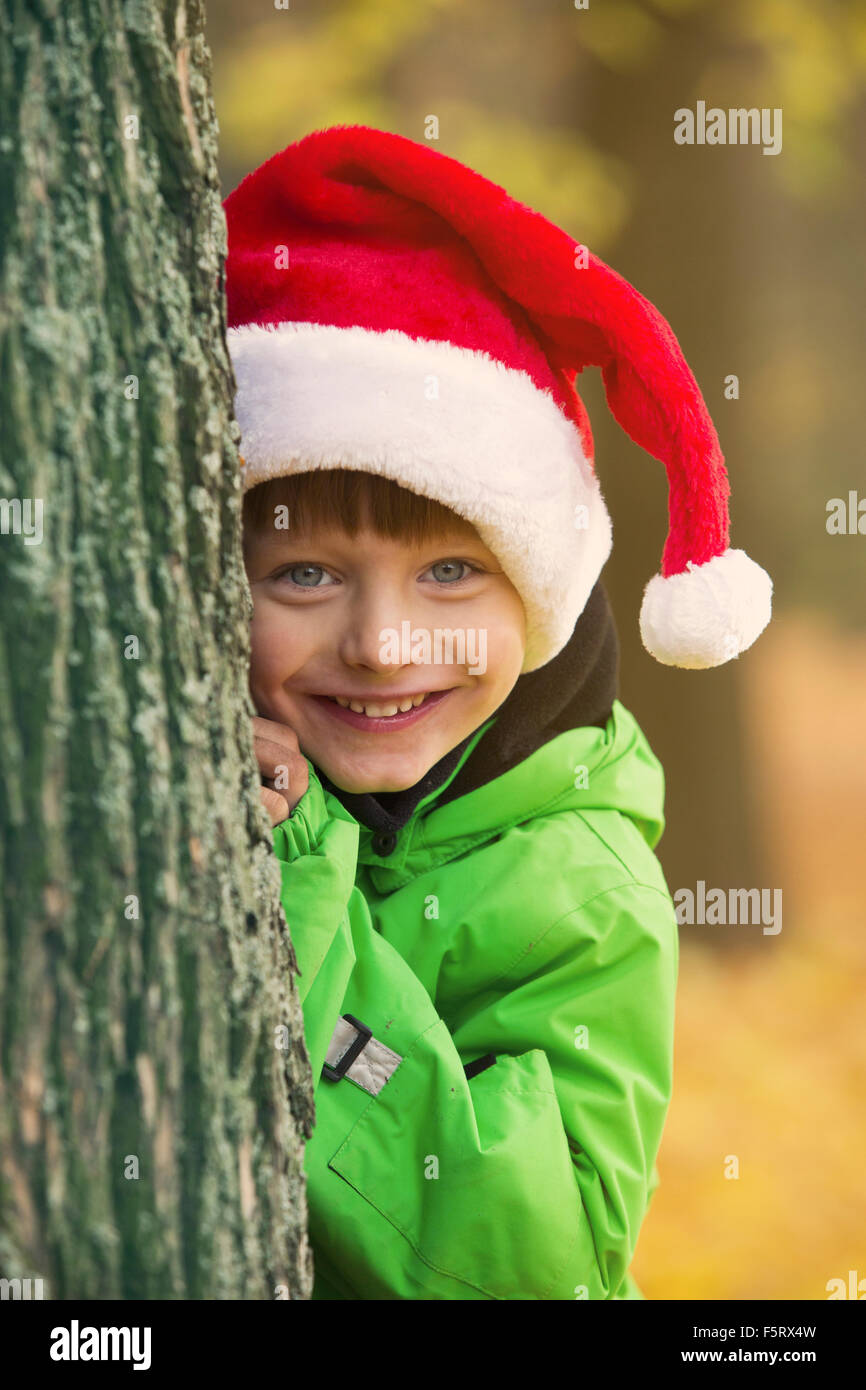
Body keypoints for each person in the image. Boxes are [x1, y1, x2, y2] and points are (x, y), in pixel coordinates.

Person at [223, 125, 773, 1300]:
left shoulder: (579, 888)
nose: (380, 642)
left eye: (449, 575)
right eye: (305, 575)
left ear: (541, 592)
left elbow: (532, 1266)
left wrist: (305, 872)